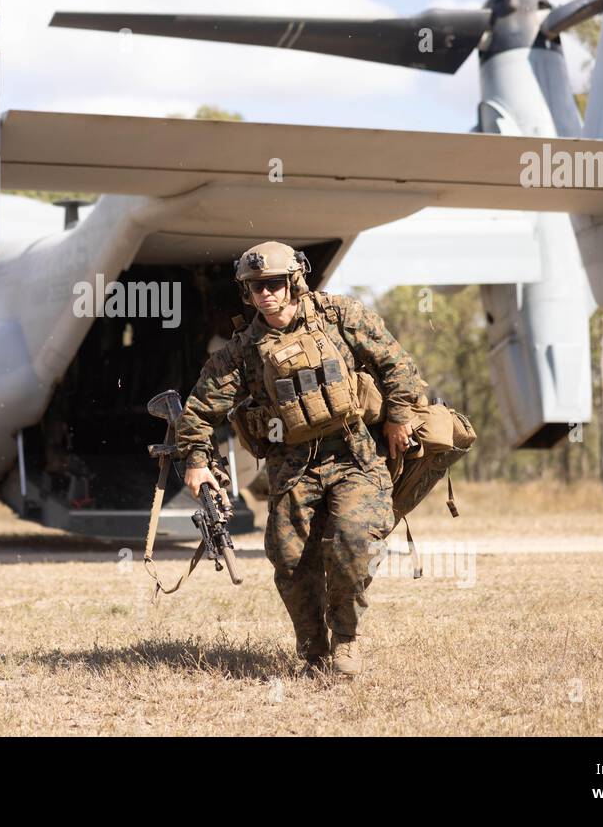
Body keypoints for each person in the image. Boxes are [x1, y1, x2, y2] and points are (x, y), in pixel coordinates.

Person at [174, 241, 426, 676]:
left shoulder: (340, 317)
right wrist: (196, 460)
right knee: (290, 560)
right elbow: (199, 410)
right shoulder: (244, 349)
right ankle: (312, 652)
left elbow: (397, 364)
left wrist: (399, 416)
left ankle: (345, 642)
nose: (265, 294)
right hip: (291, 468)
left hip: (354, 457)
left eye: (273, 284)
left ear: (293, 281)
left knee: (351, 542)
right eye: (255, 287)